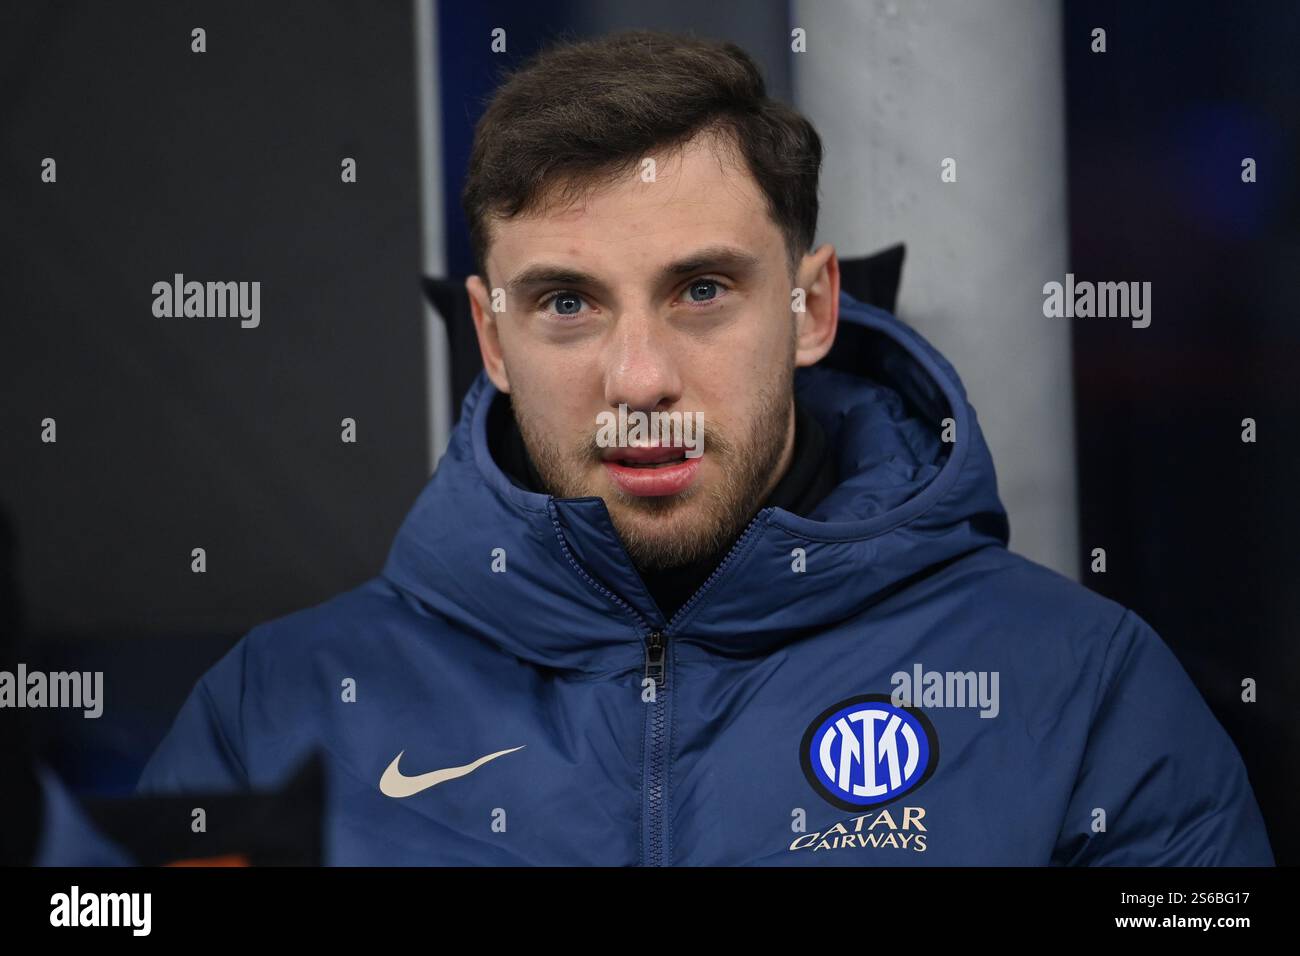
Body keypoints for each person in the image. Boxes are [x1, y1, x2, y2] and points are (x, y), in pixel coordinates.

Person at [138, 30, 1273, 866]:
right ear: (489, 334)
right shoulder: (272, 713)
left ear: (811, 306)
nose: (639, 380)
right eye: (568, 303)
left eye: (701, 288)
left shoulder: (1082, 692)